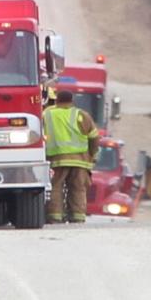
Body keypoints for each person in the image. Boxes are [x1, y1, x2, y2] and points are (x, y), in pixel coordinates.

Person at [45, 90, 100, 224]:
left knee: (55, 187)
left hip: (56, 159)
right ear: (72, 100)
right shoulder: (81, 115)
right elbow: (94, 137)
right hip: (80, 161)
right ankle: (77, 217)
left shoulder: (46, 115)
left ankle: (55, 216)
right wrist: (93, 155)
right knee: (78, 188)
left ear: (57, 100)